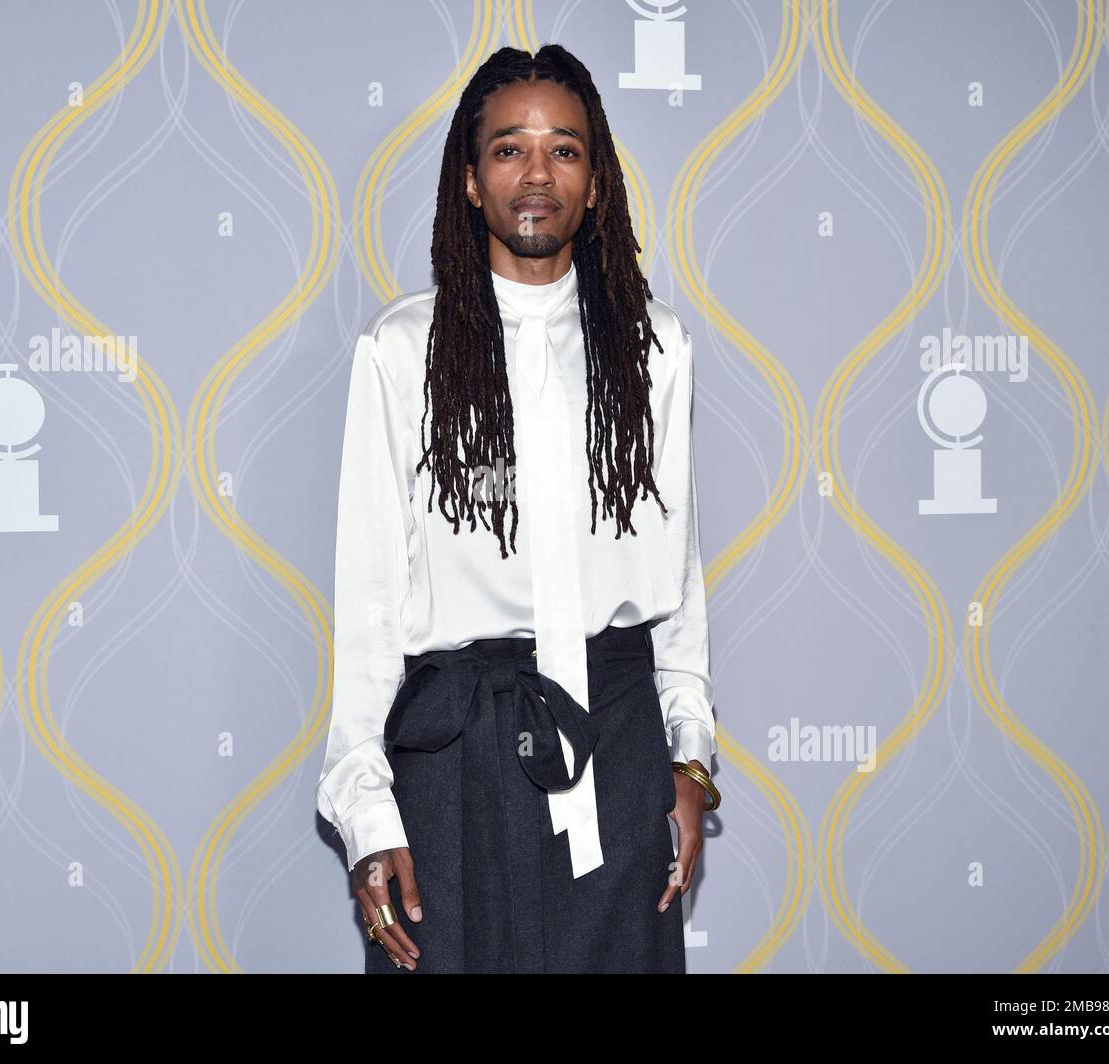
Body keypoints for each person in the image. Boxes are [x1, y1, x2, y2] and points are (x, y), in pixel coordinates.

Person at [315, 43, 719, 974]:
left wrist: (689, 757)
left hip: (615, 740)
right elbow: (370, 602)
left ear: (598, 184)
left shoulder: (654, 349)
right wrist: (370, 809)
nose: (537, 174)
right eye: (508, 149)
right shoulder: (402, 351)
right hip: (451, 756)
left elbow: (678, 581)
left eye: (565, 150)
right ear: (469, 178)